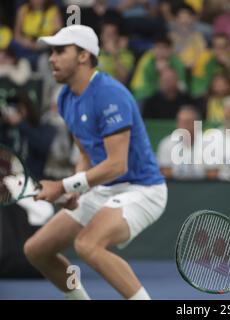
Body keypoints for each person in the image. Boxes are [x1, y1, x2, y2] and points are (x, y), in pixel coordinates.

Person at [23, 25, 167, 300]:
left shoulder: (110, 94)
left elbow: (117, 165)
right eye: (51, 51)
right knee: (37, 250)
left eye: (60, 51)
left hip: (142, 189)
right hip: (103, 188)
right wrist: (75, 190)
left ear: (83, 56)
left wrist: (62, 185)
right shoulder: (66, 97)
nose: (51, 58)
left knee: (88, 245)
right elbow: (86, 155)